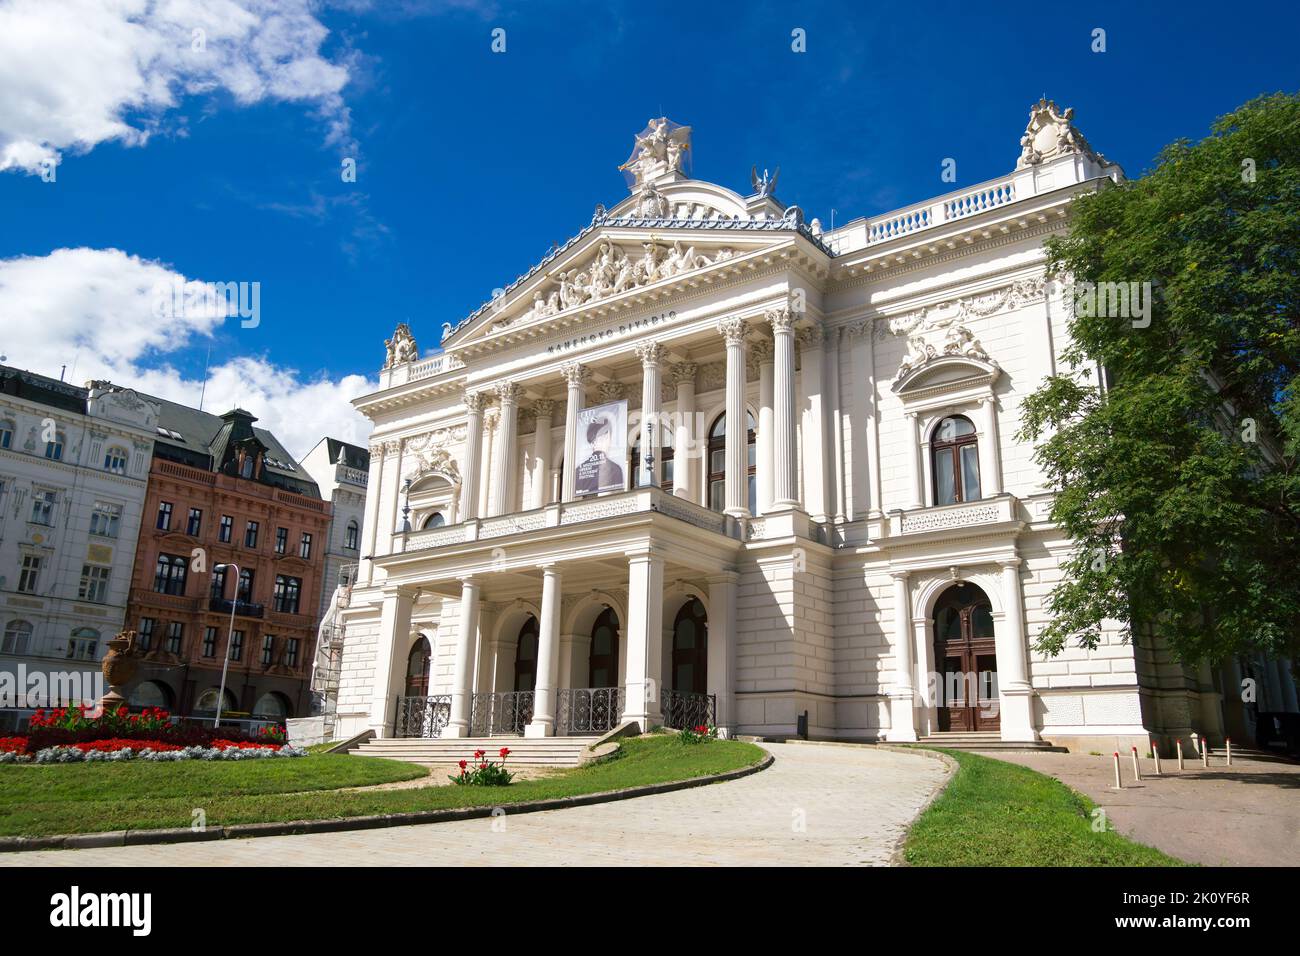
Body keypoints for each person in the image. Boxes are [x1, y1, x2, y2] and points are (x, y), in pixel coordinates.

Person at [575, 413, 624, 495]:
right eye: (602, 437)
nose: (605, 441)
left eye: (607, 437)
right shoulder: (616, 469)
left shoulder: (579, 471)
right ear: (592, 441)